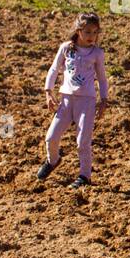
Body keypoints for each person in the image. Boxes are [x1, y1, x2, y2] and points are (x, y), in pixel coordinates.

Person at [38, 13, 109, 188]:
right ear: (78, 31)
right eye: (88, 32)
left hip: (87, 102)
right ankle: (52, 161)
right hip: (66, 101)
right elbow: (54, 69)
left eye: (95, 32)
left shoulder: (97, 53)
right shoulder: (66, 48)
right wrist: (48, 91)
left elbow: (102, 78)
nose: (92, 36)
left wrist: (104, 99)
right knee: (51, 137)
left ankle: (85, 176)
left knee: (83, 141)